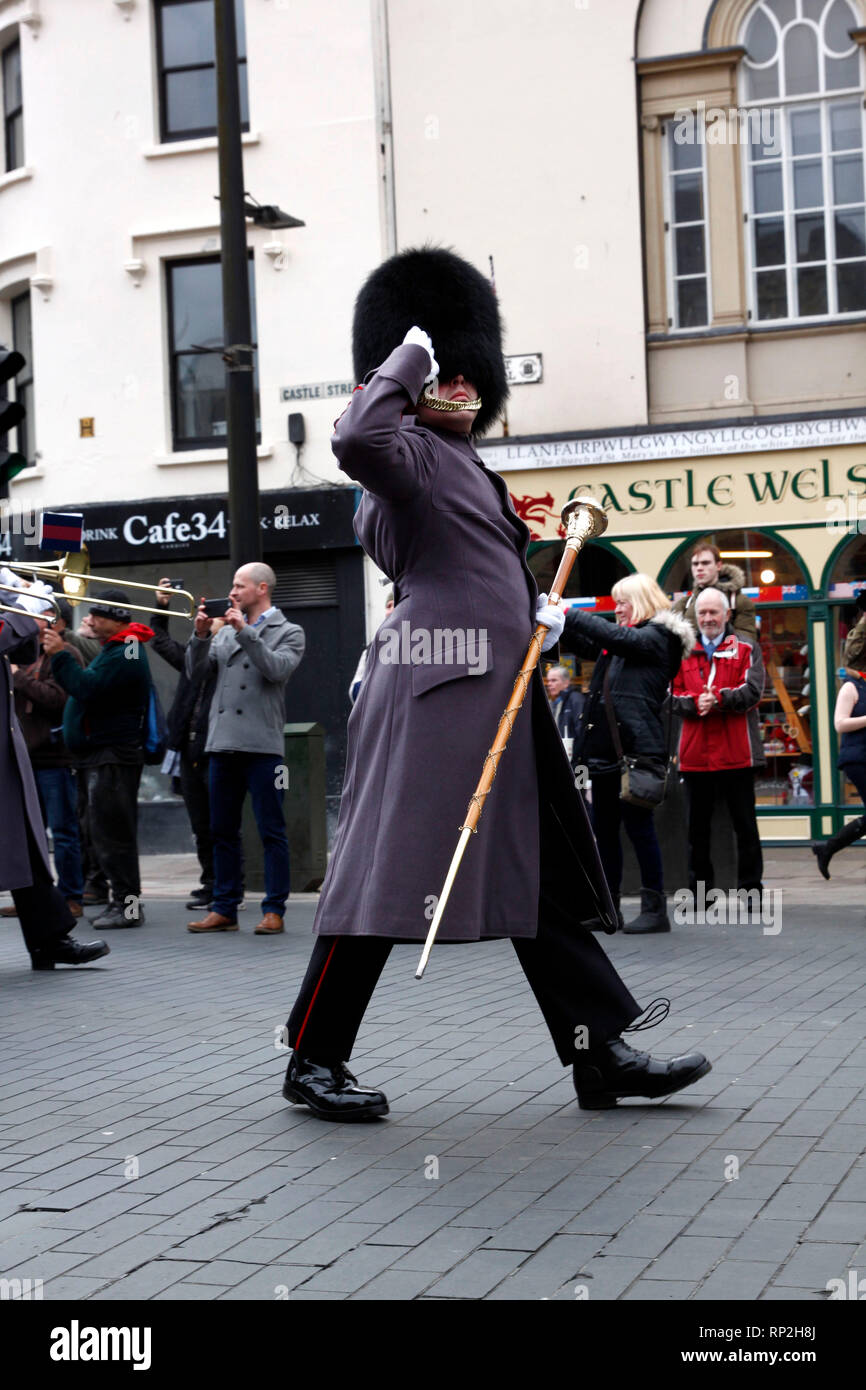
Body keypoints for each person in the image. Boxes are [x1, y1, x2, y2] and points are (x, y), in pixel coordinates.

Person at [280, 247, 710, 1121]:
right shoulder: (406, 459)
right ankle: (314, 1056)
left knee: (540, 875)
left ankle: (601, 1053)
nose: (466, 382)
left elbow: (495, 577)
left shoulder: (463, 461)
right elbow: (357, 436)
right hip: (439, 694)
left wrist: (563, 624)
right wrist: (408, 353)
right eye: (453, 366)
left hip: (502, 695)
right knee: (386, 876)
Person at [561, 574, 694, 935]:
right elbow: (593, 641)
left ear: (643, 601)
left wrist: (567, 612)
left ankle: (655, 910)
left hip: (635, 750)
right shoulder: (628, 642)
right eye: (615, 602)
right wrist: (557, 624)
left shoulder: (658, 638)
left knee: (639, 830)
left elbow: (615, 637)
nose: (617, 609)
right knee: (605, 832)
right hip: (608, 750)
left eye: (623, 602)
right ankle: (609, 909)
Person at [185, 563, 305, 936]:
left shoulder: (290, 631)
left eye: (240, 586)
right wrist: (201, 637)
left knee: (271, 830)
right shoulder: (223, 632)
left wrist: (245, 632)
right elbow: (196, 675)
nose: (232, 592)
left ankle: (274, 909)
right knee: (221, 830)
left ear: (262, 588)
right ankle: (224, 907)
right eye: (232, 586)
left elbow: (277, 669)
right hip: (222, 743)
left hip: (262, 745)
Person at [0, 572, 108, 970]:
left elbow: (23, 655)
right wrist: (24, 610)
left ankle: (49, 938)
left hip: (11, 746)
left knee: (27, 845)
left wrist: (20, 603)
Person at [44, 589, 154, 929]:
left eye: (97, 615)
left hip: (113, 755)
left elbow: (87, 687)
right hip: (101, 755)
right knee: (102, 833)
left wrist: (61, 655)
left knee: (115, 835)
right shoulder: (118, 648)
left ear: (117, 619)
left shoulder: (130, 649)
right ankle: (119, 902)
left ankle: (129, 907)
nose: (89, 620)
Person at [671, 588, 765, 898]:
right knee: (696, 831)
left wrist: (720, 699)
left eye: (714, 612)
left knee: (746, 828)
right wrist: (698, 703)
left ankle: (751, 891)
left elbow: (752, 692)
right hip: (695, 754)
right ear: (695, 617)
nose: (708, 618)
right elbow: (669, 696)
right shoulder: (681, 651)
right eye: (702, 613)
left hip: (737, 753)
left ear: (727, 615)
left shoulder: (747, 648)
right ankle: (700, 893)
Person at [1, 596, 85, 922]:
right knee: (30, 839)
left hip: (57, 757)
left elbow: (59, 699)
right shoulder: (26, 650)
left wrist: (19, 676)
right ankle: (37, 904)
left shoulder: (68, 653)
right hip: (28, 757)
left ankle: (76, 897)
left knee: (64, 832)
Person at [151, 578, 225, 911]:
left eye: (216, 622)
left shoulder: (232, 660)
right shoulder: (194, 657)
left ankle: (224, 887)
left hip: (215, 750)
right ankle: (210, 883)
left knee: (219, 824)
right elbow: (159, 640)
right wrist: (162, 605)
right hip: (190, 750)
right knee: (200, 824)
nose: (210, 626)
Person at [812, 669, 866, 878]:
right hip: (857, 759)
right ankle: (827, 848)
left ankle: (827, 848)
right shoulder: (850, 687)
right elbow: (839, 724)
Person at [671, 543, 757, 642]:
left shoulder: (738, 602)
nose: (699, 568)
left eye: (705, 563)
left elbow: (746, 641)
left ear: (718, 566)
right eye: (695, 564)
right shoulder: (683, 605)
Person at [349, 589, 394, 704]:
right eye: (389, 606)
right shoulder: (372, 649)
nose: (393, 610)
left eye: (397, 605)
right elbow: (354, 692)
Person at [544, 663, 584, 767]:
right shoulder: (554, 703)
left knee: (579, 783)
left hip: (576, 761)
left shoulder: (576, 699)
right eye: (548, 681)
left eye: (554, 680)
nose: (549, 684)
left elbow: (581, 730)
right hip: (559, 759)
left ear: (566, 683)